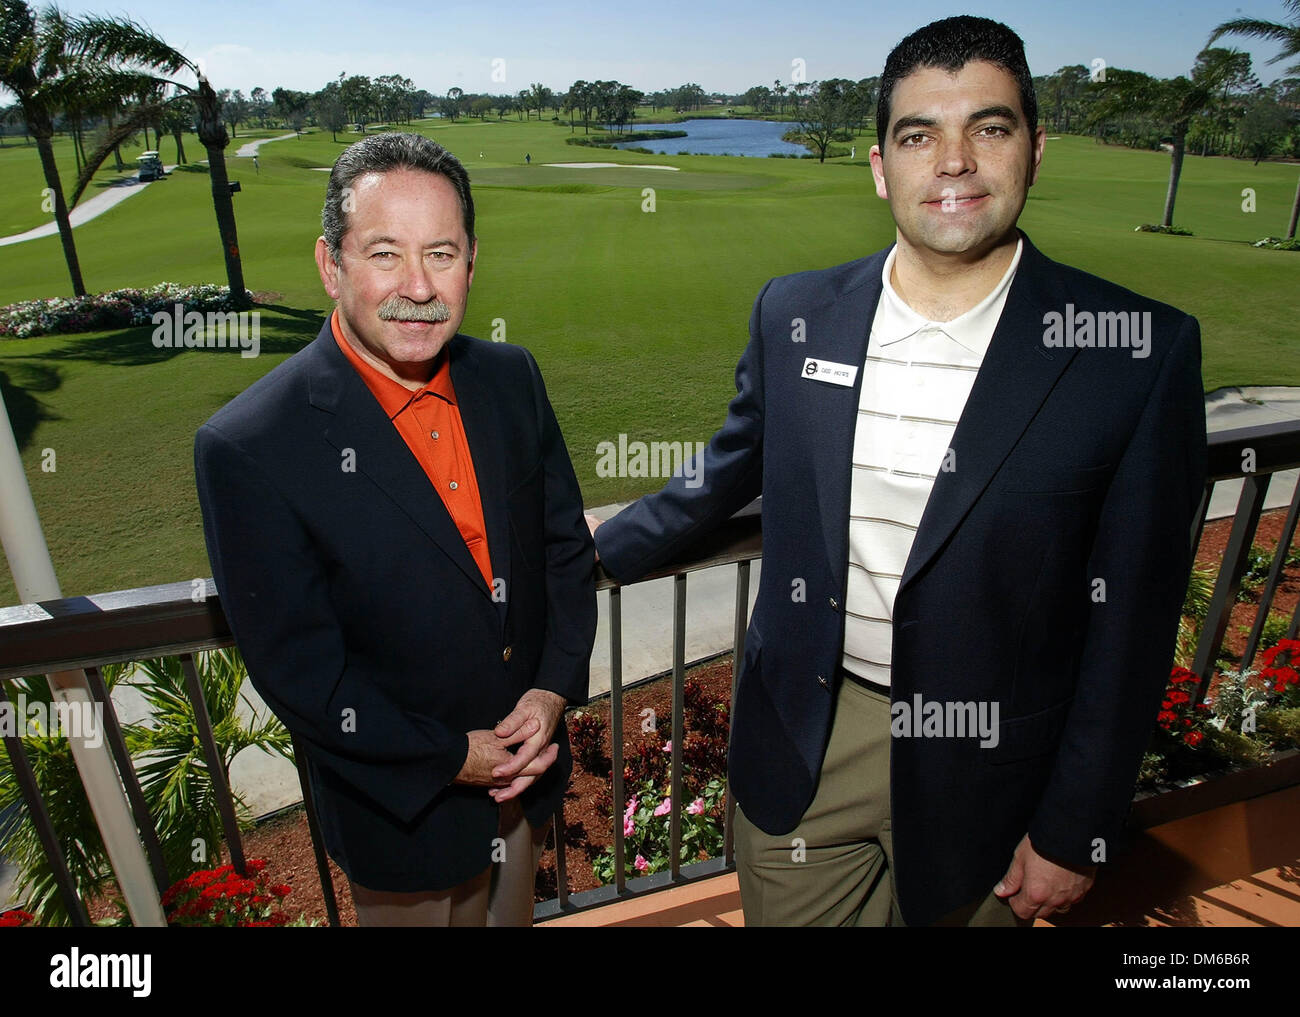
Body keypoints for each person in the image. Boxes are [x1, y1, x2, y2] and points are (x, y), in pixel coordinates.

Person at [589, 15, 1206, 927]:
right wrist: (587, 548)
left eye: (988, 128)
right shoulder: (796, 311)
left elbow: (1136, 624)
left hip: (994, 766)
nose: (952, 161)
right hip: (808, 742)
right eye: (919, 135)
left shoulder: (1137, 352)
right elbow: (724, 474)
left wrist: (1077, 826)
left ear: (1035, 151)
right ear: (881, 165)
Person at [195, 132, 596, 926]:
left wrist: (551, 689)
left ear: (472, 263)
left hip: (522, 785)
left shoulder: (511, 378)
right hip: (401, 814)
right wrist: (453, 757)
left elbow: (564, 549)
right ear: (331, 265)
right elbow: (302, 672)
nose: (418, 286)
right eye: (386, 254)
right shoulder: (248, 446)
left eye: (441, 254)